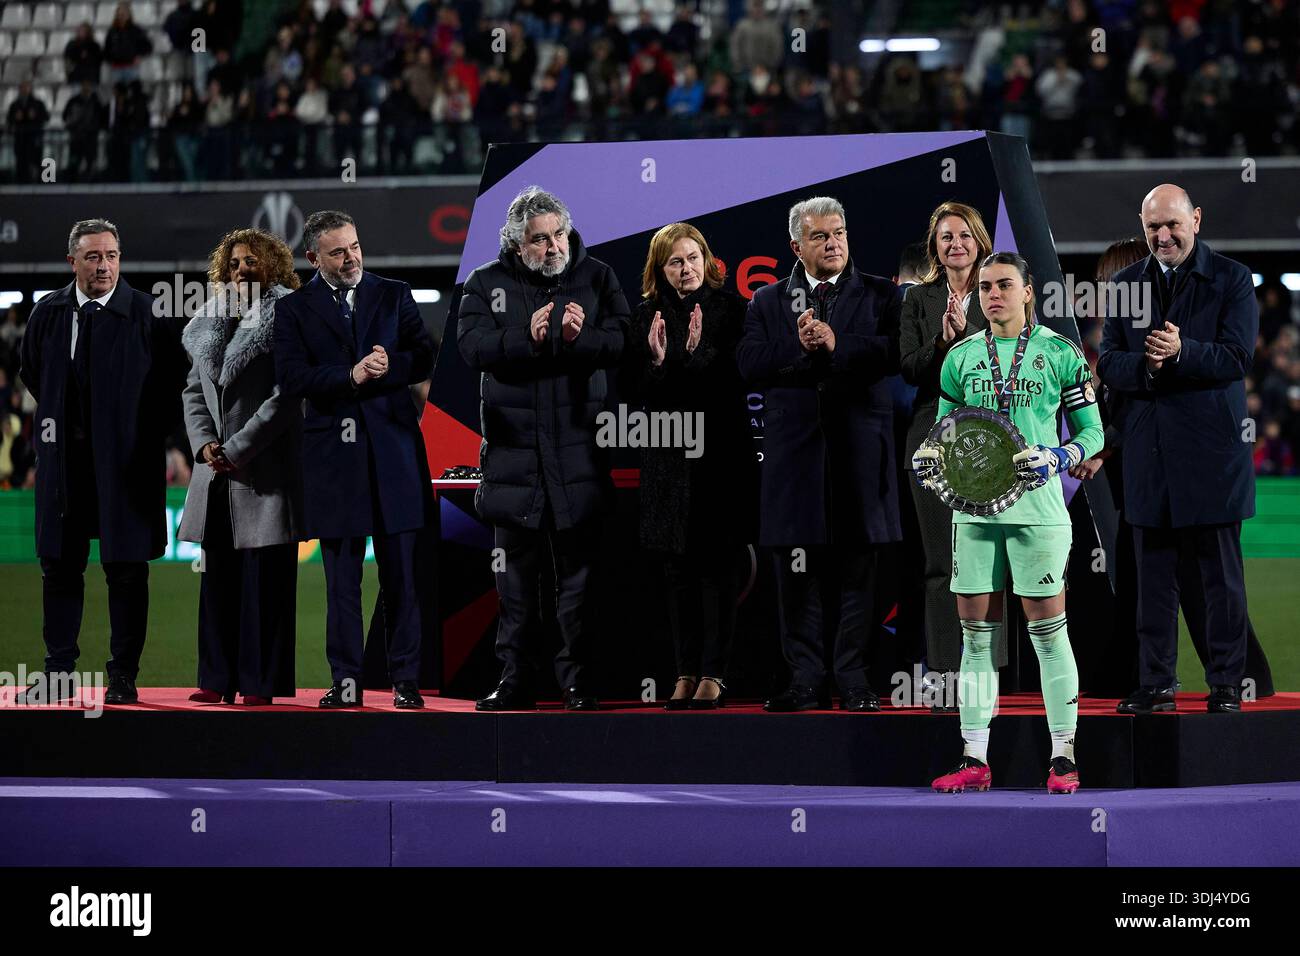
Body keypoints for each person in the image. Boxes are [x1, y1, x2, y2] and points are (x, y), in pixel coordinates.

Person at [914, 252, 1103, 793]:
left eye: (1005, 285)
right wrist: (932, 455)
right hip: (972, 515)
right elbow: (947, 431)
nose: (993, 294)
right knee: (975, 638)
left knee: (1048, 635)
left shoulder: (1059, 352)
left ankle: (1063, 757)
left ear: (1028, 292)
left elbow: (1093, 434)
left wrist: (1058, 457)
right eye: (985, 286)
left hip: (1039, 513)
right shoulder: (961, 357)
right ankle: (974, 759)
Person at [1071, 239, 1274, 698]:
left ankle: (1236, 680)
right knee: (1158, 584)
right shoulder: (1122, 328)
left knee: (1199, 584)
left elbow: (1140, 401)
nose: (1106, 289)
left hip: (1170, 463)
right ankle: (1156, 680)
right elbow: (1123, 392)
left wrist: (1107, 443)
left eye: (1111, 279)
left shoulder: (1206, 292)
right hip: (1139, 465)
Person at [457, 186, 630, 711]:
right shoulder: (485, 283)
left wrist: (585, 338)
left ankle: (576, 683)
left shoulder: (598, 275)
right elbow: (471, 348)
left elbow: (626, 339)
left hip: (580, 459)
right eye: (539, 239)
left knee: (577, 587)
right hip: (514, 464)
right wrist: (522, 336)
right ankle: (514, 682)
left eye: (559, 235)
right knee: (513, 587)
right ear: (516, 242)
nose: (553, 246)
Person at [736, 196, 903, 713]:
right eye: (819, 236)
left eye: (839, 232)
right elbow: (748, 362)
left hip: (860, 457)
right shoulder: (766, 302)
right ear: (796, 245)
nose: (833, 243)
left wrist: (837, 343)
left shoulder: (880, 295)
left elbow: (896, 353)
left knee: (859, 571)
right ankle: (805, 677)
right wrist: (800, 349)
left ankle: (853, 678)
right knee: (796, 573)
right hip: (795, 464)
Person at [17, 219, 185, 705]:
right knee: (60, 568)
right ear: (72, 262)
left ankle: (123, 676)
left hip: (128, 467)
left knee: (127, 570)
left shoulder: (147, 314)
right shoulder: (48, 313)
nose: (104, 266)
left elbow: (172, 385)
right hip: (64, 468)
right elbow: (34, 373)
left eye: (111, 255)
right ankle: (58, 673)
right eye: (92, 257)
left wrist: (140, 437)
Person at [274, 210, 434, 710]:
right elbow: (292, 378)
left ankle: (406, 681)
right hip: (333, 465)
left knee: (402, 579)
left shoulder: (393, 293)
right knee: (342, 580)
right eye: (339, 251)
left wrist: (388, 369)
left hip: (395, 458)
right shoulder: (295, 310)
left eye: (356, 247)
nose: (351, 258)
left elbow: (426, 356)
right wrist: (349, 377)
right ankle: (346, 681)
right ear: (312, 257)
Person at [624, 223, 755, 709]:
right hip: (667, 465)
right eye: (675, 262)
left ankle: (715, 674)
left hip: (721, 461)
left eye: (693, 257)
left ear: (708, 260)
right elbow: (634, 393)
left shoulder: (735, 311)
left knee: (718, 571)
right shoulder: (643, 318)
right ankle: (683, 671)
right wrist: (658, 363)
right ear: (660, 270)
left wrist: (697, 357)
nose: (687, 268)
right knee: (677, 573)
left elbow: (734, 383)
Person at [178, 228, 303, 706]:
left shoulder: (289, 314)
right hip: (215, 475)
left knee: (266, 585)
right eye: (233, 263)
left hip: (264, 472)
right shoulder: (208, 320)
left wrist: (239, 447)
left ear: (271, 264)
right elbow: (193, 392)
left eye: (251, 261)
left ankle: (259, 684)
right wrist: (205, 443)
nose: (240, 270)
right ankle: (215, 679)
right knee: (218, 580)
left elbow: (288, 395)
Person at [898, 201, 1002, 713]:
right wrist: (944, 340)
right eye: (944, 237)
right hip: (932, 438)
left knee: (987, 564)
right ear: (935, 247)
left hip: (991, 442)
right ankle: (945, 675)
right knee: (942, 563)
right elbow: (910, 369)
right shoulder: (918, 300)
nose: (954, 244)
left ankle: (985, 677)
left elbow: (1018, 357)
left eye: (963, 234)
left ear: (979, 240)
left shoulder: (1001, 292)